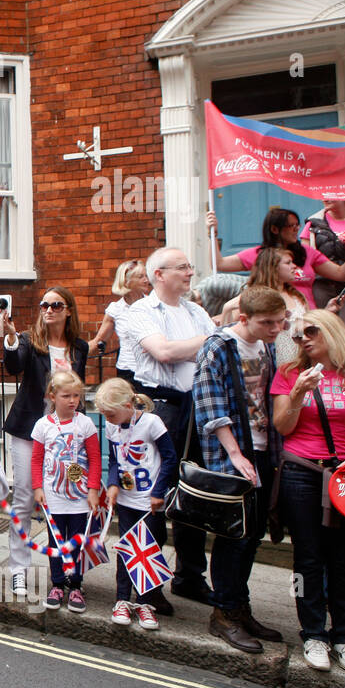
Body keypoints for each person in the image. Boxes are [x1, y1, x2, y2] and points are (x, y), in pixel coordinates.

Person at [192, 285, 286, 654]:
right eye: (267, 322)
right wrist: (234, 455)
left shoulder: (270, 344)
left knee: (254, 533)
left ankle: (240, 607)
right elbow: (209, 404)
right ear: (243, 318)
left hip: (264, 450)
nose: (276, 328)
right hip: (232, 456)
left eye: (280, 322)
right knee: (234, 535)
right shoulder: (218, 345)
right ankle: (224, 614)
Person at [122, 247, 217, 604]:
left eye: (190, 266)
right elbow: (163, 352)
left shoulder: (196, 311)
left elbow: (210, 352)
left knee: (195, 491)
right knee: (152, 494)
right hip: (159, 406)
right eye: (182, 267)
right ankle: (147, 584)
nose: (190, 273)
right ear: (159, 274)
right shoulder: (141, 311)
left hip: (198, 408)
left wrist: (194, 344)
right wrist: (210, 339)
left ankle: (190, 576)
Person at [0, 285, 88, 597]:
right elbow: (13, 367)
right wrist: (9, 336)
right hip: (29, 431)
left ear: (68, 310)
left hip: (68, 436)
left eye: (56, 305)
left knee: (70, 498)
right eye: (44, 305)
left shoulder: (80, 348)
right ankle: (19, 570)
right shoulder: (28, 341)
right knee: (24, 496)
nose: (49, 310)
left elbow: (79, 392)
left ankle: (66, 577)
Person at [271, 309, 345, 671]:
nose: (303, 339)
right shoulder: (289, 374)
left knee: (343, 558)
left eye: (311, 331)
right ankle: (313, 634)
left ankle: (344, 635)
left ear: (331, 330)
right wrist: (299, 393)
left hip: (344, 476)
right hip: (301, 472)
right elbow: (283, 427)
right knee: (306, 558)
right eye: (298, 335)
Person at [96, 378, 178, 630]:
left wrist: (158, 491)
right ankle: (122, 599)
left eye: (111, 413)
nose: (108, 419)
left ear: (128, 404)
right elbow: (113, 462)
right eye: (105, 415)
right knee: (126, 550)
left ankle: (144, 603)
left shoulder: (151, 423)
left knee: (146, 552)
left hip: (148, 502)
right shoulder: (113, 427)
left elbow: (170, 458)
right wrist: (112, 484)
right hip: (127, 500)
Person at [32, 370, 101, 613]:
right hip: (54, 495)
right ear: (52, 396)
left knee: (77, 542)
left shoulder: (85, 423)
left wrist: (93, 489)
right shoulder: (43, 425)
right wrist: (38, 487)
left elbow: (95, 458)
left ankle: (76, 587)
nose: (72, 401)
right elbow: (36, 460)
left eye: (76, 396)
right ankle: (58, 584)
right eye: (66, 396)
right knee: (56, 541)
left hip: (80, 497)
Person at [207, 207, 345, 307]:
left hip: (306, 318)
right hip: (274, 319)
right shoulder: (260, 254)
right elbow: (219, 264)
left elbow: (340, 273)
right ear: (275, 229)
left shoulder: (307, 252)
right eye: (291, 225)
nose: (296, 229)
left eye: (297, 225)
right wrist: (212, 235)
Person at [91, 259, 150, 380]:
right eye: (140, 277)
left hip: (152, 370)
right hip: (127, 371)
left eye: (146, 276)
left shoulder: (154, 305)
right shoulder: (115, 309)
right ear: (126, 281)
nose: (146, 280)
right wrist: (70, 353)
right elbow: (98, 342)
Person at [301, 194, 345, 312]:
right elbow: (304, 257)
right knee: (324, 323)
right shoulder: (313, 223)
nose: (325, 198)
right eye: (323, 194)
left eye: (331, 194)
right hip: (322, 285)